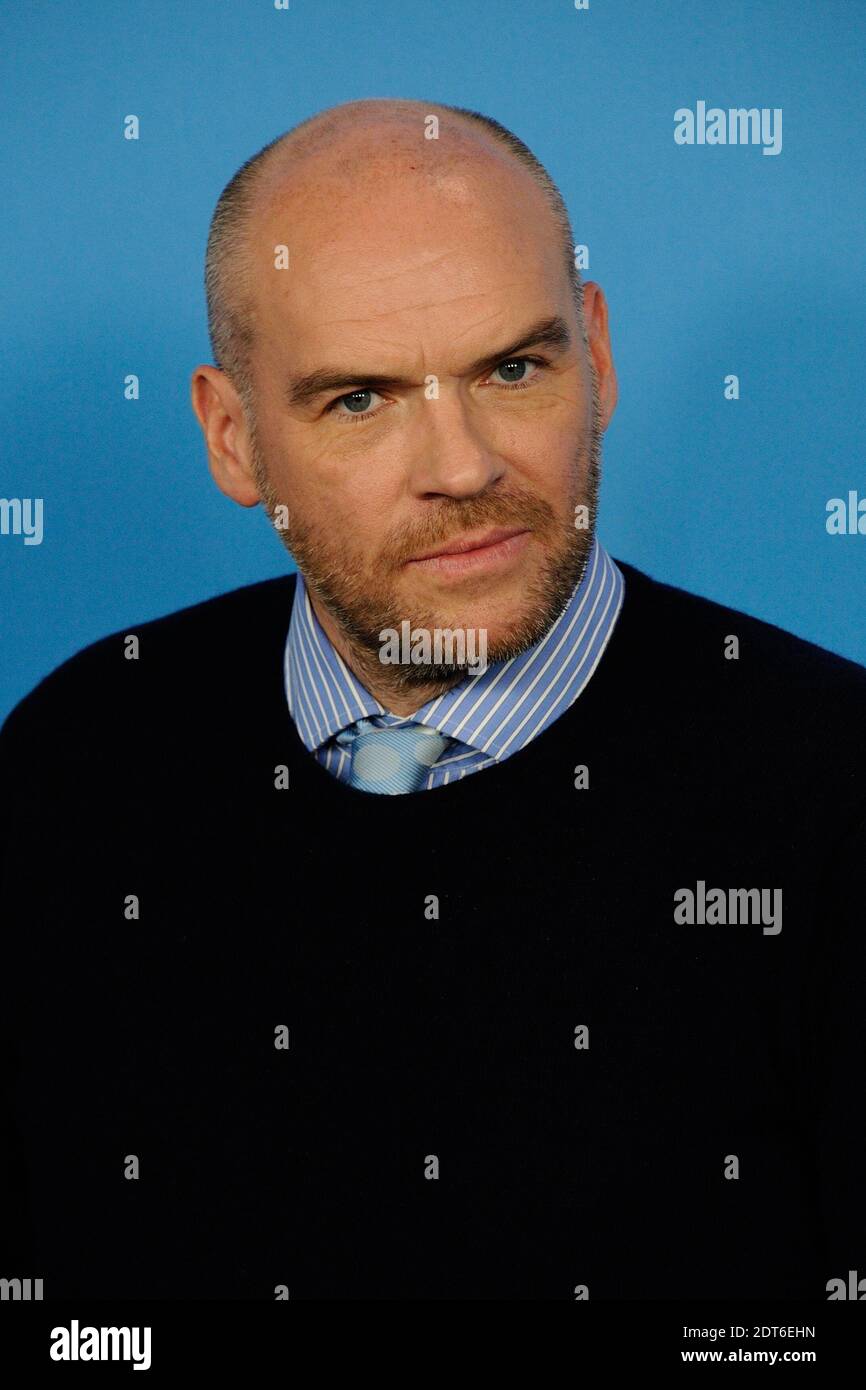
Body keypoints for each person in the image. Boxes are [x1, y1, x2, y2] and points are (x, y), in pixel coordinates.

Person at [1, 98, 864, 1301]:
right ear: (233, 437)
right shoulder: (72, 762)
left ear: (597, 356)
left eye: (513, 368)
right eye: (358, 399)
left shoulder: (833, 791)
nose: (461, 467)